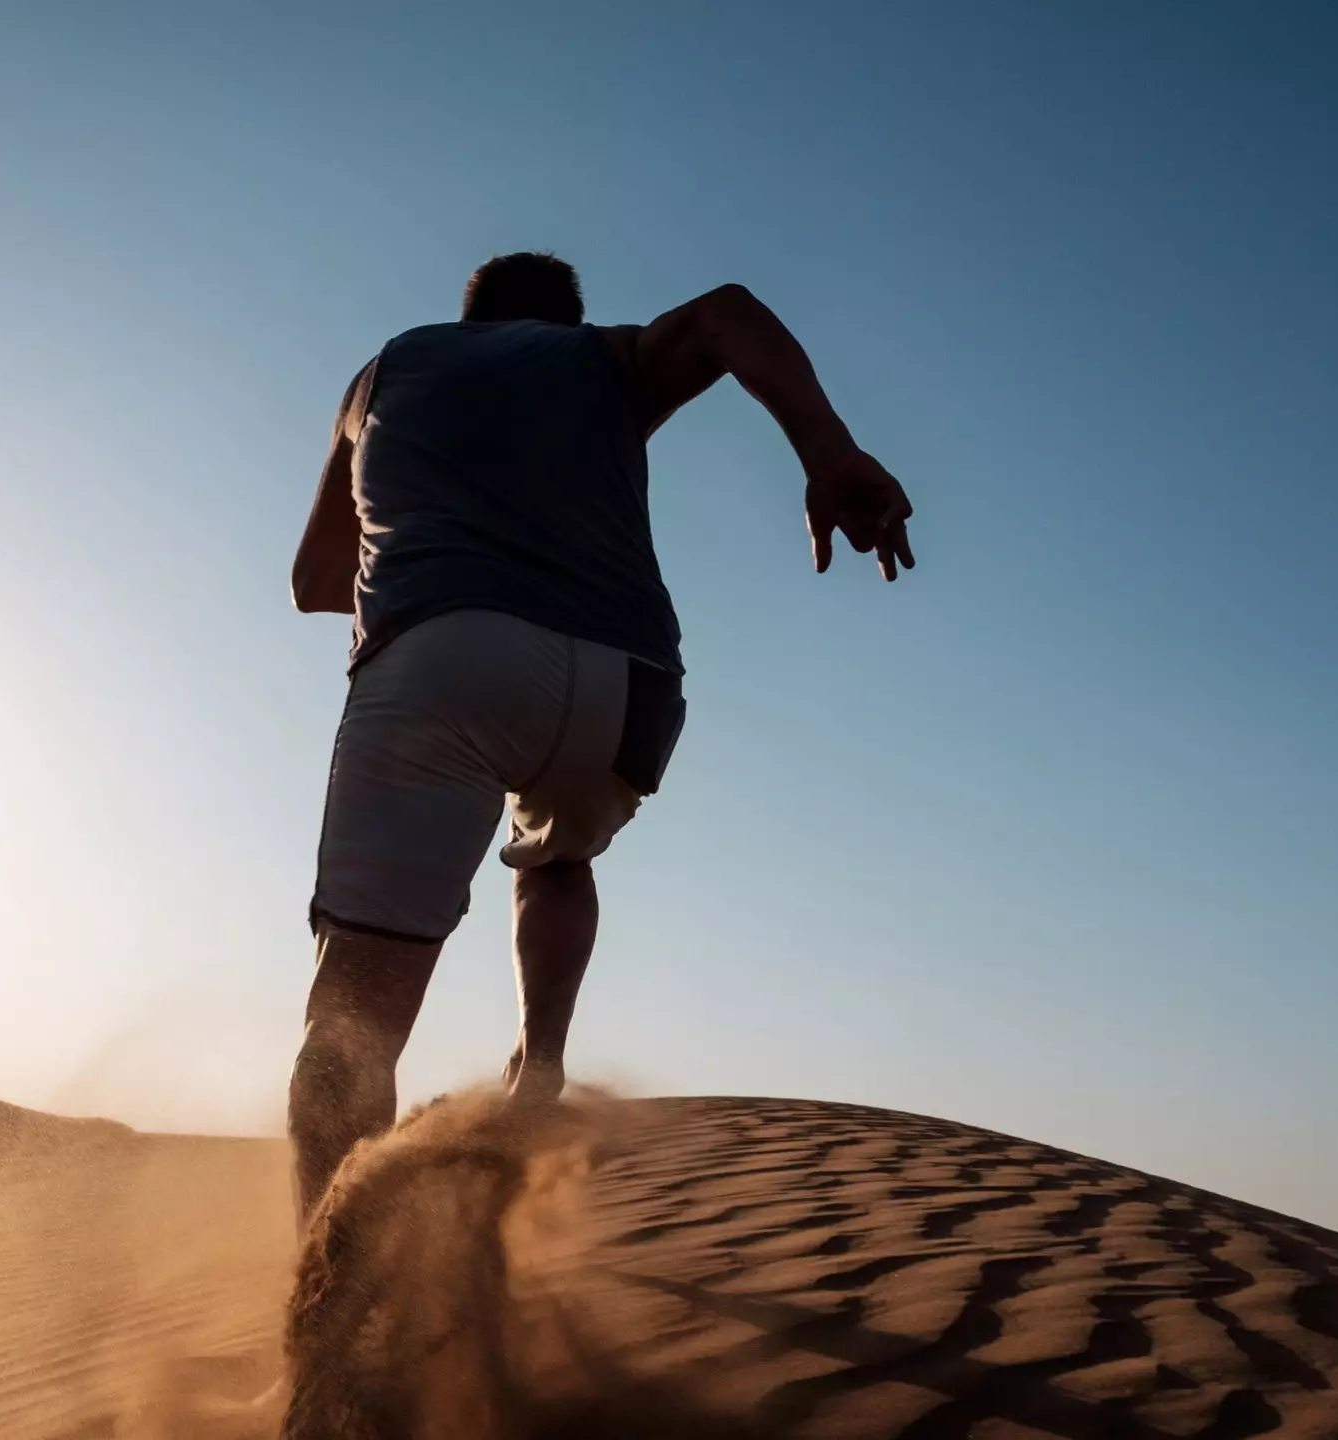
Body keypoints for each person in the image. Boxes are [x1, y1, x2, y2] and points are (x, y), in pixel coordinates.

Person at [286, 252, 914, 1215]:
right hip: (629, 686)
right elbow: (729, 312)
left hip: (446, 660)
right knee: (555, 857)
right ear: (567, 322)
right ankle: (539, 1065)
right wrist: (829, 455)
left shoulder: (384, 375)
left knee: (352, 1027)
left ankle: (328, 1326)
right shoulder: (610, 362)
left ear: (469, 319)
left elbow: (312, 584)